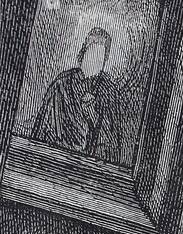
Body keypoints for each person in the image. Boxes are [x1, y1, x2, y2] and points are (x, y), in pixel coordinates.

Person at [31, 27, 122, 164]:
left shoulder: (109, 91)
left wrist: (93, 116)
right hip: (56, 157)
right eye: (91, 52)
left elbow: (111, 146)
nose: (93, 60)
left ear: (105, 59)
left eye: (99, 55)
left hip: (89, 166)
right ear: (83, 52)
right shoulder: (62, 82)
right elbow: (43, 128)